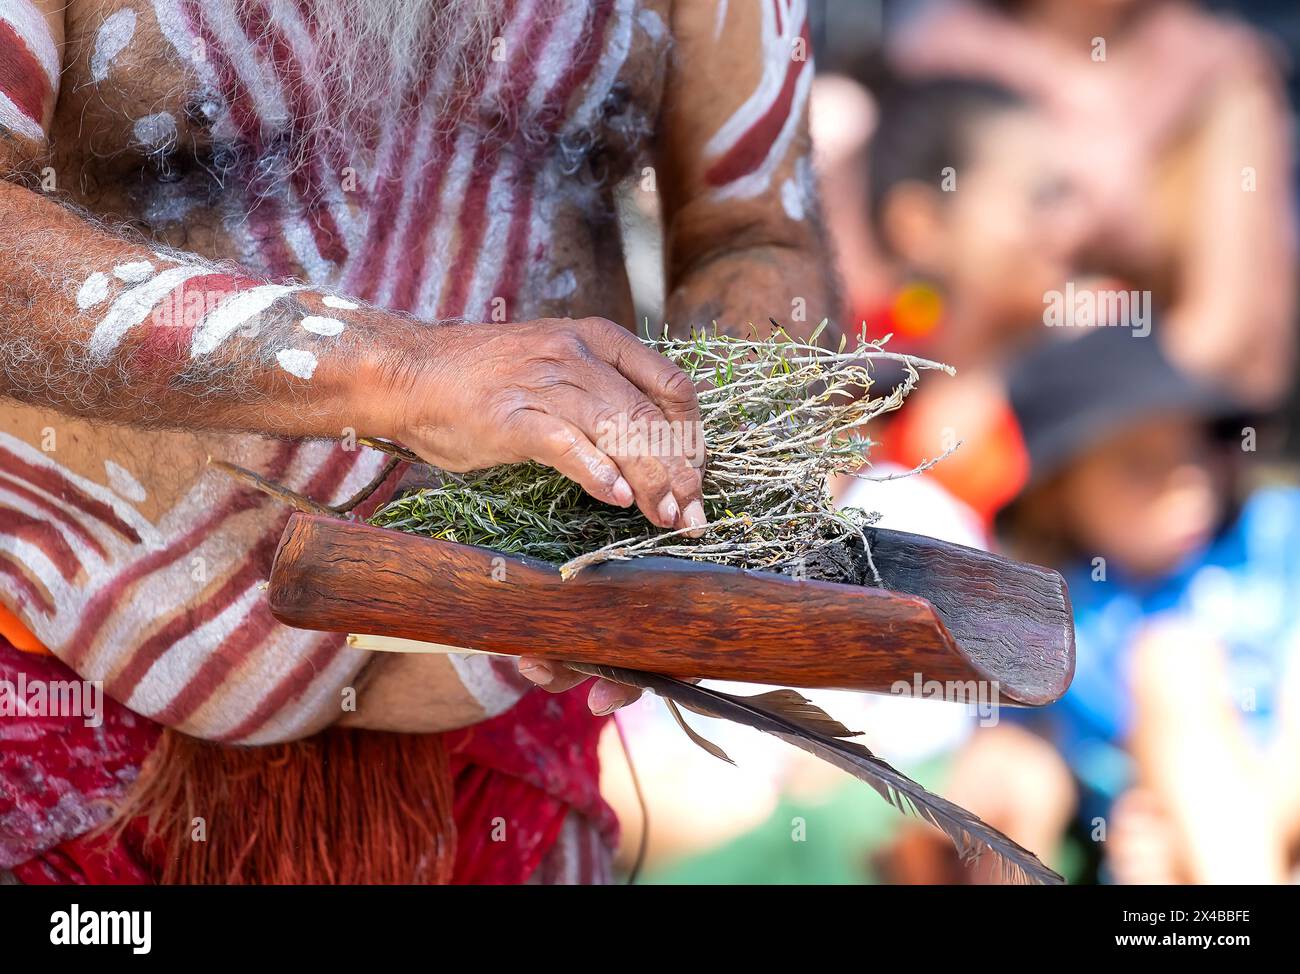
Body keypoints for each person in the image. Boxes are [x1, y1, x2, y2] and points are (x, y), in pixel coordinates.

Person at [0, 0, 836, 884]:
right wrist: (402, 372)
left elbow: (758, 235)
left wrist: (689, 511)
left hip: (511, 748)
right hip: (75, 734)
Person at [891, 327, 1300, 883]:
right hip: (1176, 842)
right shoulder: (1064, 620)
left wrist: (1263, 811)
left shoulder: (1271, 532)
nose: (1186, 482)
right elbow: (1021, 751)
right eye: (1138, 464)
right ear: (1056, 500)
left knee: (1171, 661)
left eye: (1193, 449)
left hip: (1273, 785)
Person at [892, 0, 1297, 409]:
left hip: (1163, 406)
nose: (1069, 229)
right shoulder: (948, 52)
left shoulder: (1217, 69)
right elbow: (901, 296)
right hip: (969, 389)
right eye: (1044, 200)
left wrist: (1078, 402)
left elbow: (1226, 326)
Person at [834, 76, 1084, 534]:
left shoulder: (1104, 371)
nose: (1071, 229)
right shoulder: (846, 386)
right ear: (921, 224)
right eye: (1040, 199)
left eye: (1067, 198)